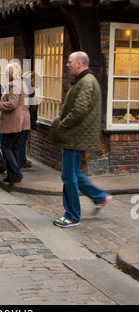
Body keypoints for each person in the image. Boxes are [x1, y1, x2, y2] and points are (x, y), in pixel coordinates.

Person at [50, 51, 112, 228]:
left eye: (69, 62)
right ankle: (100, 197)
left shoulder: (86, 82)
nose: (67, 64)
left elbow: (79, 110)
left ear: (79, 64)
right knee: (73, 173)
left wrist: (62, 125)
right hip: (76, 135)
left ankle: (72, 216)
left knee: (68, 177)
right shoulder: (84, 81)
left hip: (75, 136)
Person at [0, 62, 30, 186]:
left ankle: (15, 173)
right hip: (21, 120)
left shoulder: (14, 85)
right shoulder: (22, 84)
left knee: (6, 146)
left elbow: (12, 104)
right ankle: (12, 174)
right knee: (13, 146)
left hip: (13, 121)